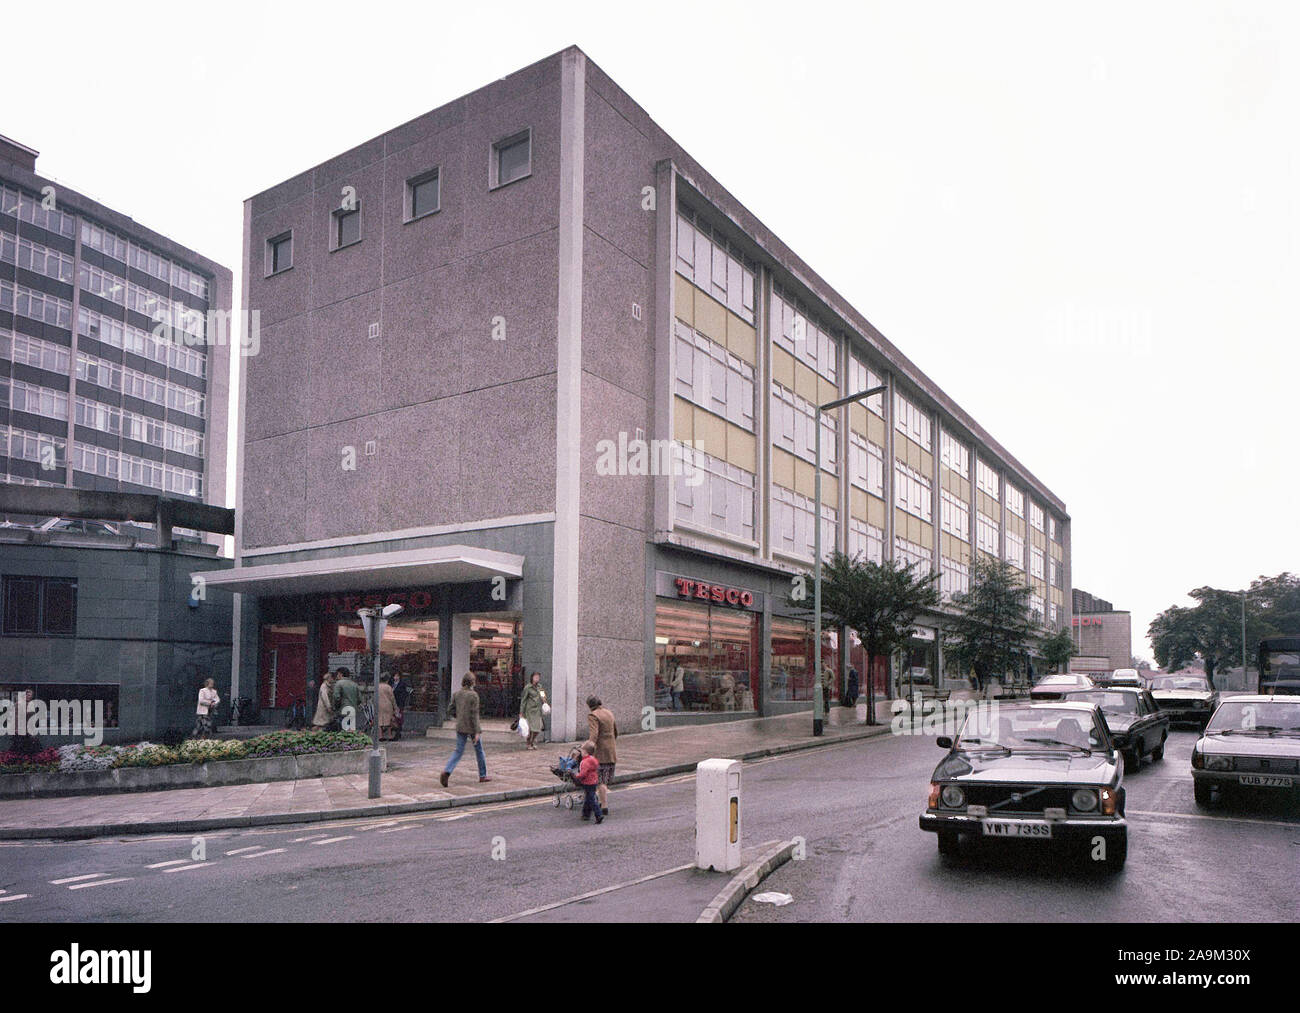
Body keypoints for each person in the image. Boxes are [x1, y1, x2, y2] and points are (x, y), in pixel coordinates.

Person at [440, 673, 491, 786]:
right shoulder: (474, 695)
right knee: (479, 751)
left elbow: (450, 709)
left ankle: (447, 770)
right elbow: (474, 714)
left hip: (460, 726)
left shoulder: (457, 694)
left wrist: (458, 716)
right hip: (472, 727)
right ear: (472, 682)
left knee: (458, 751)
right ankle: (483, 775)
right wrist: (477, 731)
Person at [586, 696, 618, 817]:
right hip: (611, 750)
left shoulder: (593, 716)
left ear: (589, 705)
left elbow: (594, 735)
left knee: (600, 781)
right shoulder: (609, 713)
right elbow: (615, 732)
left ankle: (604, 806)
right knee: (605, 779)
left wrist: (587, 748)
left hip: (600, 752)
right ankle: (601, 801)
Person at [575, 741, 604, 824]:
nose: (581, 753)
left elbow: (583, 773)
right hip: (594, 781)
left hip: (587, 782)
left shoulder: (584, 762)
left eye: (582, 751)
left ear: (586, 752)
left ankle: (598, 815)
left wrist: (577, 776)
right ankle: (586, 814)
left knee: (591, 799)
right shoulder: (593, 759)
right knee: (588, 798)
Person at [518, 671, 546, 750]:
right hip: (530, 711)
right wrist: (521, 712)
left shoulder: (540, 687)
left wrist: (545, 703)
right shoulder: (528, 688)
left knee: (538, 727)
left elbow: (543, 696)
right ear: (532, 678)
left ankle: (532, 741)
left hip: (537, 711)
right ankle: (529, 743)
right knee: (531, 728)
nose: (537, 679)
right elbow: (523, 700)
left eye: (538, 677)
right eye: (535, 677)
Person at [377, 673, 399, 741]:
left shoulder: (377, 686)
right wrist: (395, 707)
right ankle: (390, 735)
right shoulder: (388, 687)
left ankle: (380, 736)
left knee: (380, 720)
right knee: (389, 720)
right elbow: (392, 698)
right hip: (387, 705)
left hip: (379, 705)